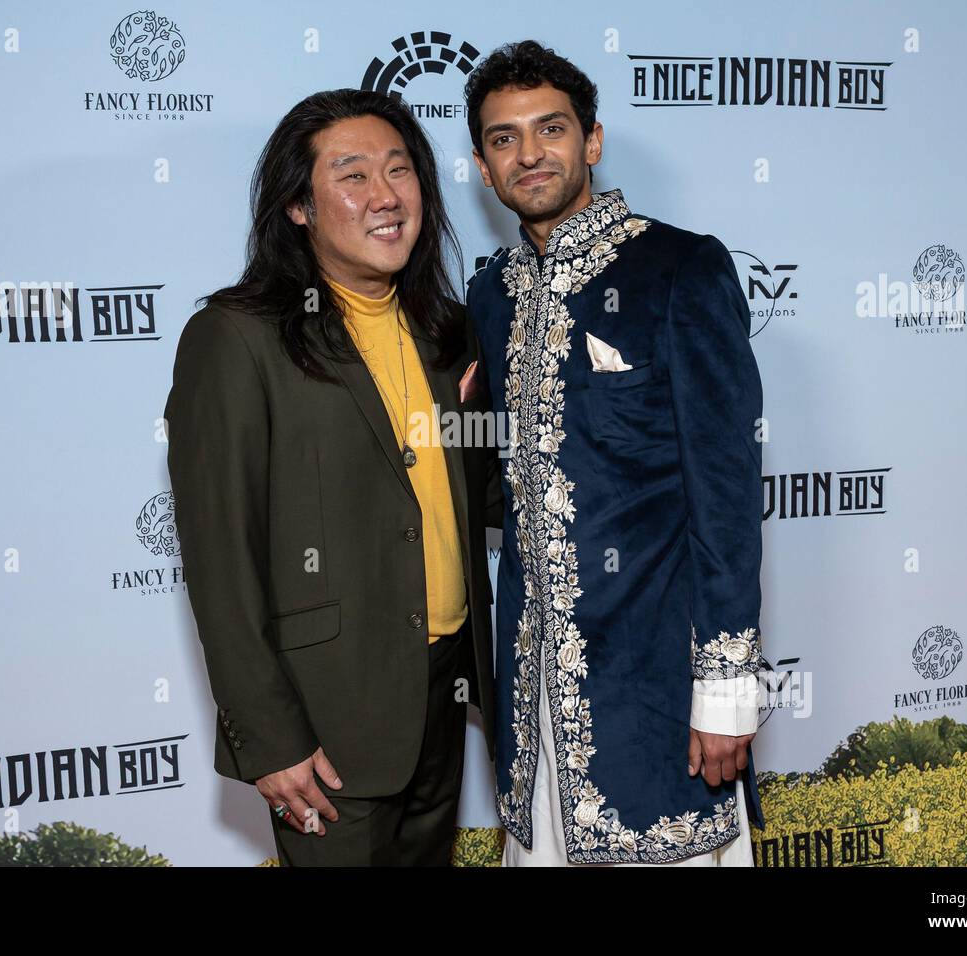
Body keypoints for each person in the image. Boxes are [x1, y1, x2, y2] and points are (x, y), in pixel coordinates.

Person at [163, 88, 496, 866]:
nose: (386, 197)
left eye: (401, 170)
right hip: (326, 720)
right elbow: (221, 557)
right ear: (298, 207)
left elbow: (469, 498)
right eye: (352, 176)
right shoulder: (236, 337)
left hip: (442, 696)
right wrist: (269, 737)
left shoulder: (446, 330)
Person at [463, 41, 767, 866]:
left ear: (591, 140)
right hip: (532, 706)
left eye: (550, 128)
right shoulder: (491, 296)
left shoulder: (680, 268)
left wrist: (729, 690)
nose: (530, 154)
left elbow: (728, 494)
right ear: (484, 166)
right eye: (503, 139)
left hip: (654, 686)